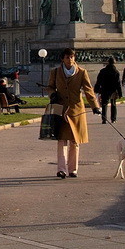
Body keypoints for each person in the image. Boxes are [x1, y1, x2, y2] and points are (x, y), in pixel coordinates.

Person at [46, 48, 99, 179]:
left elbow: (88, 90)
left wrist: (95, 106)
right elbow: (50, 87)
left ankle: (73, 169)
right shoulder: (56, 72)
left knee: (74, 141)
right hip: (61, 110)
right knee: (61, 140)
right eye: (67, 57)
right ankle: (61, 169)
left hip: (77, 111)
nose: (70, 60)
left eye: (72, 57)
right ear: (62, 59)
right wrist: (52, 94)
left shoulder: (81, 72)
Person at [93, 57, 123, 124]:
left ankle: (104, 119)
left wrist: (96, 89)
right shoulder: (116, 72)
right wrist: (120, 93)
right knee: (113, 104)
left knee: (104, 104)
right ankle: (113, 119)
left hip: (104, 89)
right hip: (113, 90)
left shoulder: (103, 71)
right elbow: (118, 83)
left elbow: (98, 81)